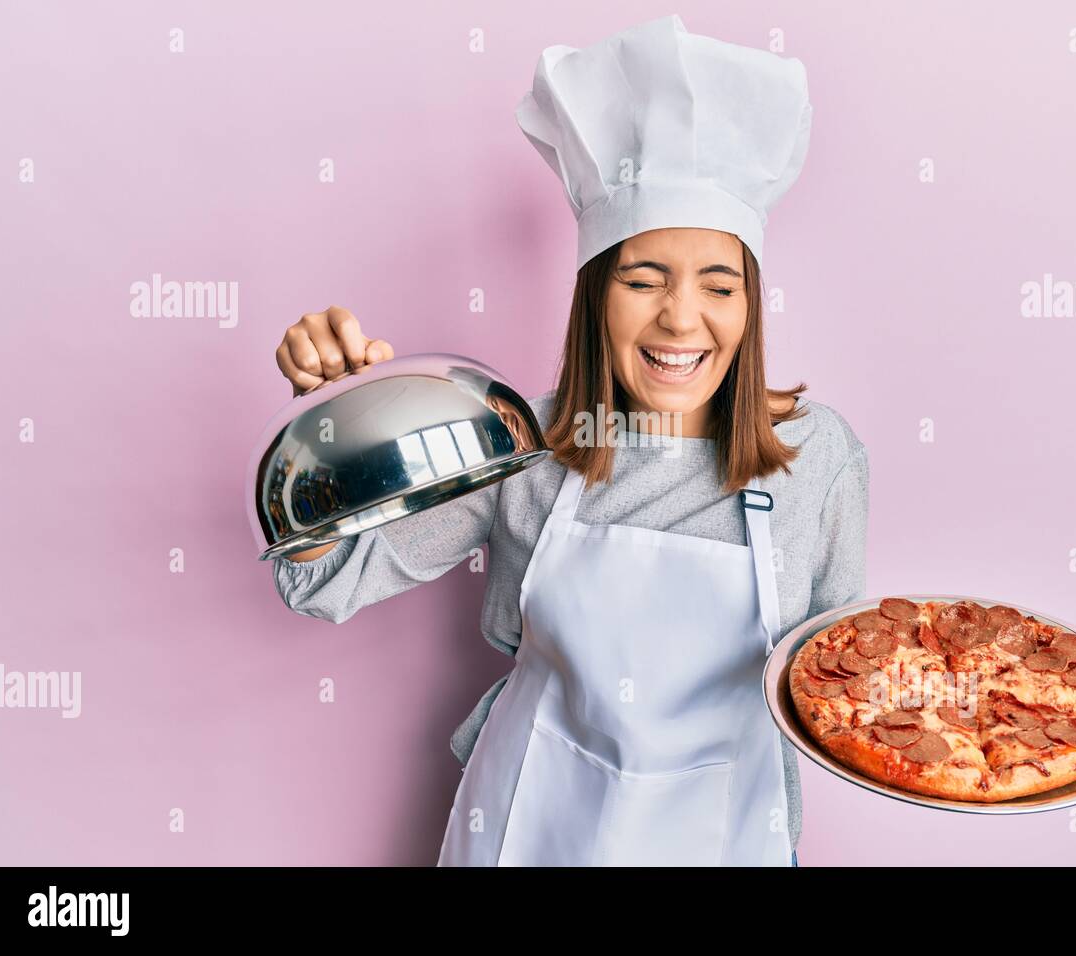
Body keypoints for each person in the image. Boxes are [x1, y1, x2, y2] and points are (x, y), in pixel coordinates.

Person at [270, 14, 868, 867]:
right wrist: (325, 432)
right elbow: (321, 586)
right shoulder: (526, 441)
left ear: (751, 304)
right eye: (644, 278)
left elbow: (843, 694)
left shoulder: (820, 459)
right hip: (530, 830)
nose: (681, 318)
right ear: (596, 294)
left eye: (719, 285)